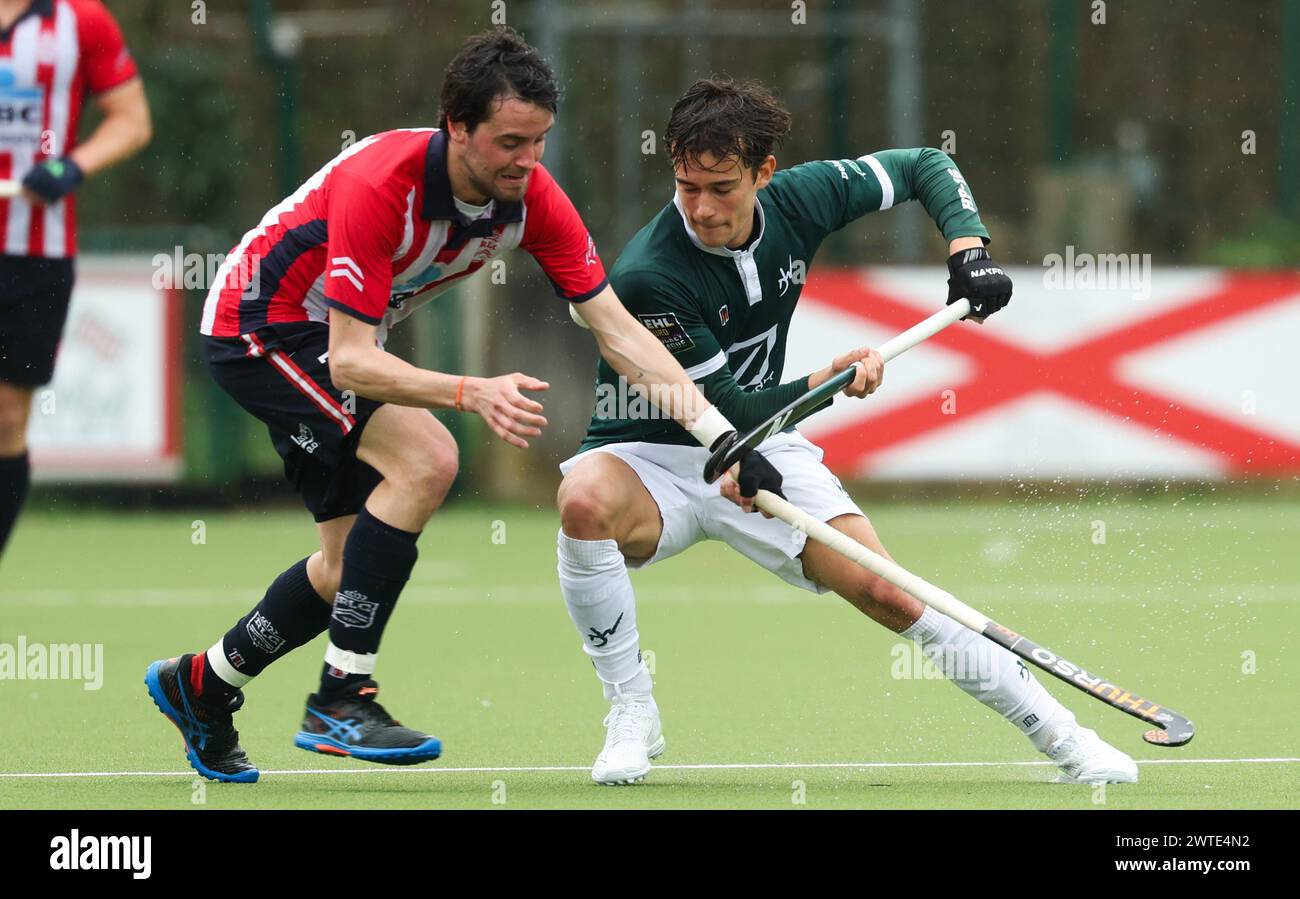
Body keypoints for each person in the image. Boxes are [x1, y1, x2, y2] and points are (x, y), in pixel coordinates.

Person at [145, 30, 780, 783]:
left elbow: (619, 332)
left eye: (539, 140)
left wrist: (722, 437)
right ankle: (342, 696)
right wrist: (469, 392)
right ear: (456, 126)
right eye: (509, 140)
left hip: (341, 341)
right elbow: (349, 359)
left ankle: (203, 685)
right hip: (263, 328)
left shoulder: (532, 198)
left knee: (344, 566)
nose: (527, 160)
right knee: (428, 458)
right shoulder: (384, 183)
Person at [555, 77, 1139, 785]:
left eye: (722, 187)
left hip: (764, 445)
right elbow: (728, 410)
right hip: (653, 456)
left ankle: (1067, 742)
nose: (702, 208)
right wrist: (828, 383)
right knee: (582, 500)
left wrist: (967, 247)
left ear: (764, 173)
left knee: (891, 590)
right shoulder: (651, 274)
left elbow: (924, 163)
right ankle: (631, 710)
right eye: (687, 187)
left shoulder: (803, 197)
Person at [0, 0, 151, 558]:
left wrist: (71, 166)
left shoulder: (81, 20)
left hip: (34, 255)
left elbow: (132, 120)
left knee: (7, 420)